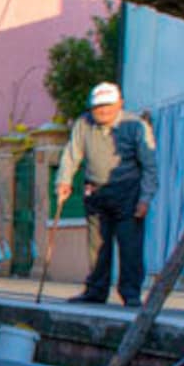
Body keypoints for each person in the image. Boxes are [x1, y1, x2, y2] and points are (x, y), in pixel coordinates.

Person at [56, 81, 157, 307]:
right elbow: (72, 153)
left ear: (119, 103)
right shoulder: (84, 124)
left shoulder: (135, 125)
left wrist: (145, 198)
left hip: (127, 190)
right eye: (98, 107)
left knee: (129, 244)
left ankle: (130, 292)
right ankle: (96, 290)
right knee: (97, 245)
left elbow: (149, 165)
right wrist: (64, 180)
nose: (103, 111)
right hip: (96, 190)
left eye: (108, 106)